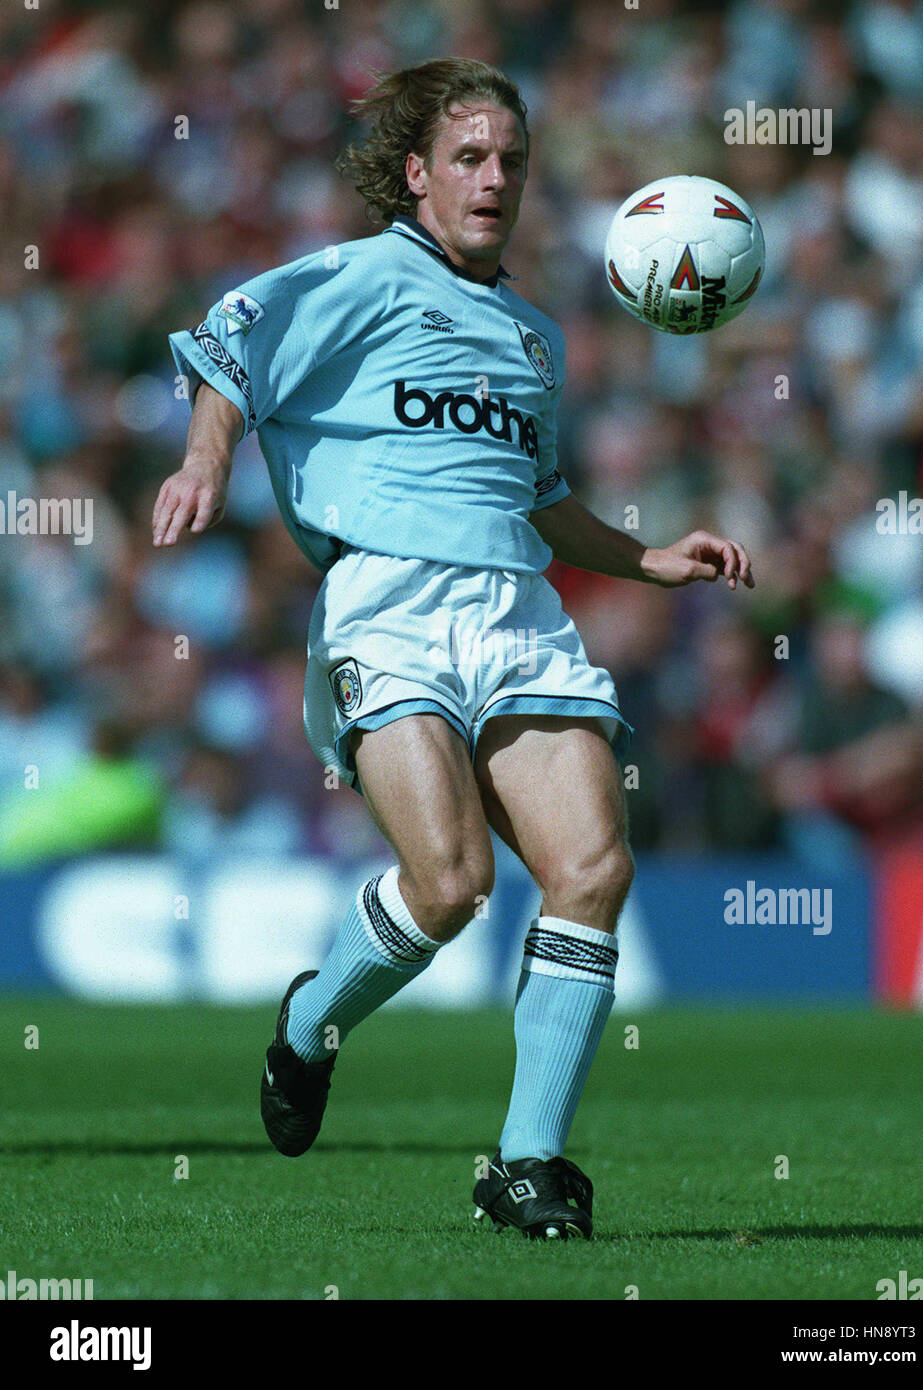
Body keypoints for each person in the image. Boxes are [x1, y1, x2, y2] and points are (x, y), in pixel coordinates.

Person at [152, 58, 753, 1241]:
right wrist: (206, 458)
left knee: (591, 871)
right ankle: (309, 1020)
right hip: (387, 603)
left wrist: (649, 558)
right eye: (470, 158)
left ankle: (527, 1164)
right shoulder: (362, 276)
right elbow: (230, 337)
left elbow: (537, 501)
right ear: (418, 172)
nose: (494, 180)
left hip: (518, 609)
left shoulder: (535, 336)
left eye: (512, 162)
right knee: (452, 885)